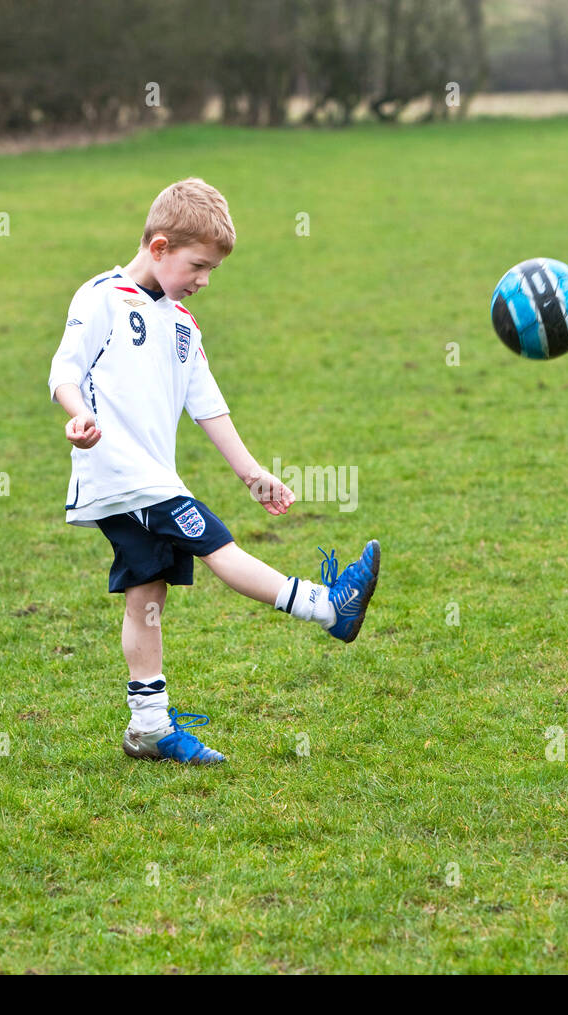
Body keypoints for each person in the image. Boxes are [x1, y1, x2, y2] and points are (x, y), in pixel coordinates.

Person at [48, 177, 381, 765]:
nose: (203, 281)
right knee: (217, 545)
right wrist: (79, 418)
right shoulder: (101, 297)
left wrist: (252, 472)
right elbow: (63, 374)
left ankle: (148, 728)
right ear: (158, 246)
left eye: (212, 271)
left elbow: (207, 404)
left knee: (146, 595)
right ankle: (329, 607)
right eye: (197, 266)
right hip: (120, 476)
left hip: (153, 478)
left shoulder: (182, 324)